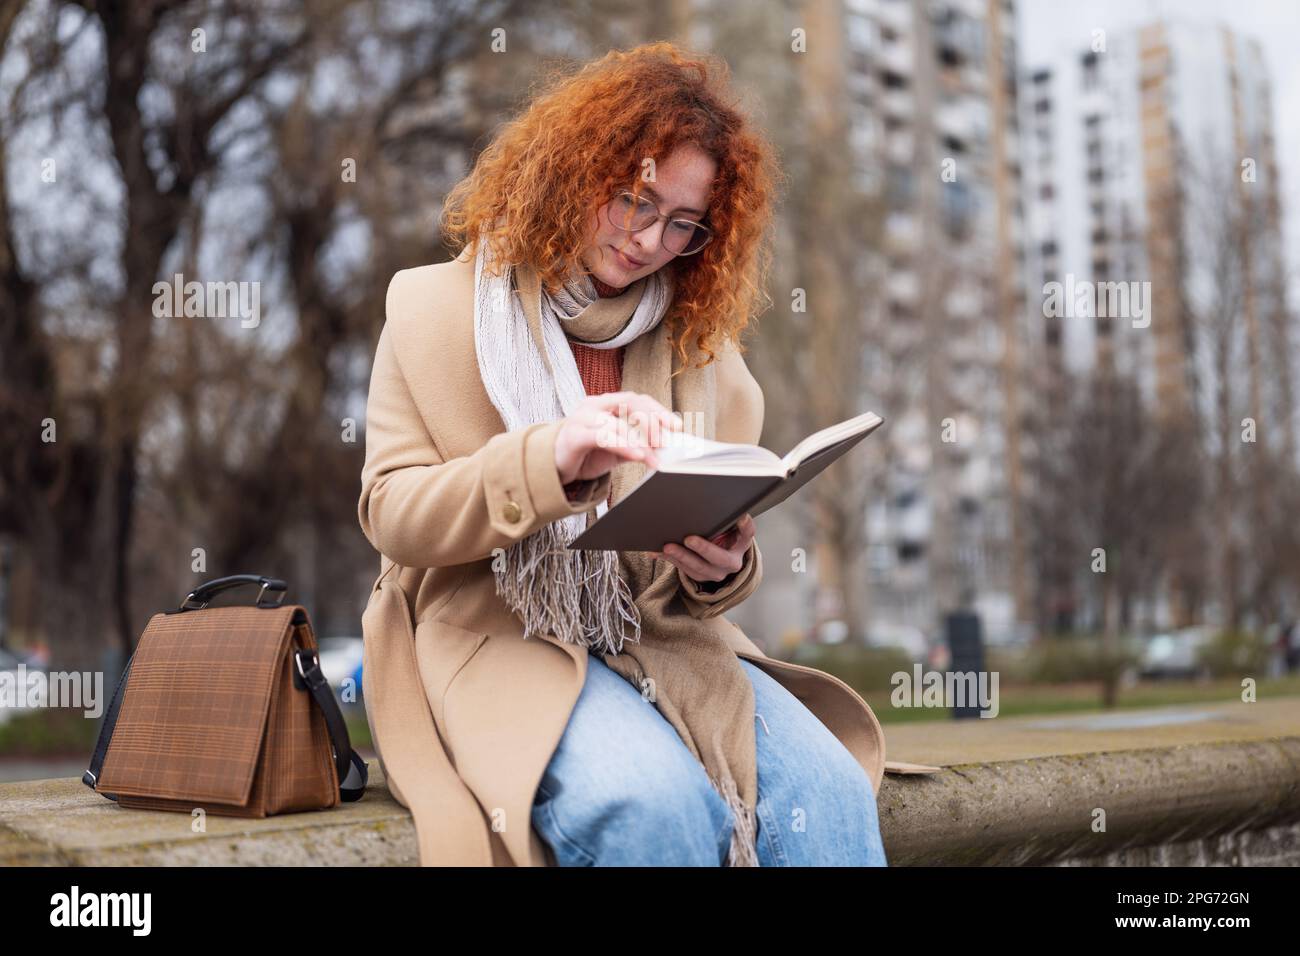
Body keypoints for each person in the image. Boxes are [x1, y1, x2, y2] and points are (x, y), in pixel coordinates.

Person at [358, 41, 887, 867]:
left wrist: (719, 565)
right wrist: (546, 462)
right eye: (635, 200)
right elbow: (391, 515)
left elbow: (693, 580)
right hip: (499, 636)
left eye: (684, 223)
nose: (650, 240)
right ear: (576, 170)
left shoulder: (706, 355)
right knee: (654, 803)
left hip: (665, 638)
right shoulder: (431, 312)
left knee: (832, 794)